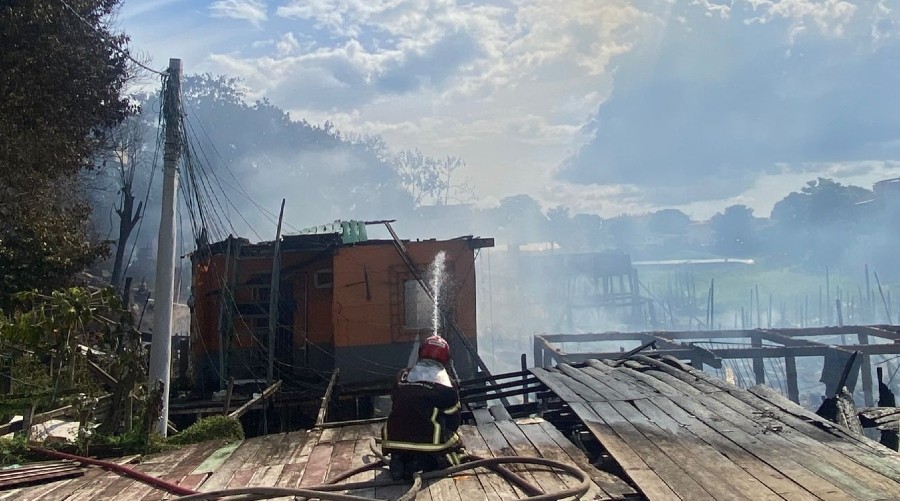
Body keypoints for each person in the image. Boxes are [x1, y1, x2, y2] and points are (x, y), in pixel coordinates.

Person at [381, 335, 463, 480]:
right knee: (455, 450)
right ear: (446, 359)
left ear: (421, 353)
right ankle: (421, 462)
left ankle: (398, 459)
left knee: (406, 438)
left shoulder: (402, 376)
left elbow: (398, 403)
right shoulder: (448, 386)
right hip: (429, 443)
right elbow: (453, 421)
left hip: (394, 440)